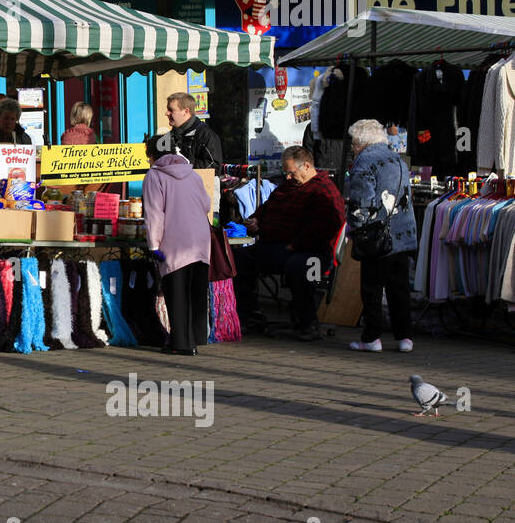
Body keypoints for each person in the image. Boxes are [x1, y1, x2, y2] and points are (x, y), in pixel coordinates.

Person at [232, 145, 346, 341]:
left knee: (299, 267)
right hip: (278, 246)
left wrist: (294, 245)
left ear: (307, 166)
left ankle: (307, 322)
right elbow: (268, 207)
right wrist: (256, 219)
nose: (288, 178)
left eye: (291, 173)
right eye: (286, 173)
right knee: (237, 259)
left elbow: (324, 228)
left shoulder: (323, 190)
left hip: (313, 251)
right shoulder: (290, 186)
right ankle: (250, 316)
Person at [345, 119, 416, 353]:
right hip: (403, 232)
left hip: (376, 235)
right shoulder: (398, 159)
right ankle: (405, 337)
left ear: (362, 142)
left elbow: (360, 203)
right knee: (399, 288)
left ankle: (372, 337)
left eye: (354, 143)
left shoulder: (364, 162)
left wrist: (354, 229)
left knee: (372, 288)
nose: (353, 148)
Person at [143, 136, 211, 355]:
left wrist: (153, 245)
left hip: (174, 242)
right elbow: (207, 204)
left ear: (151, 155)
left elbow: (154, 213)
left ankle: (181, 343)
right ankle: (197, 337)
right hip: (200, 240)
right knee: (195, 292)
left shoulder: (155, 175)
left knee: (177, 293)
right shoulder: (192, 174)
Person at [165, 92, 222, 173]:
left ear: (186, 111)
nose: (166, 113)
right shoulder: (168, 137)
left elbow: (214, 167)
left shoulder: (206, 135)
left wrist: (183, 164)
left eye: (171, 110)